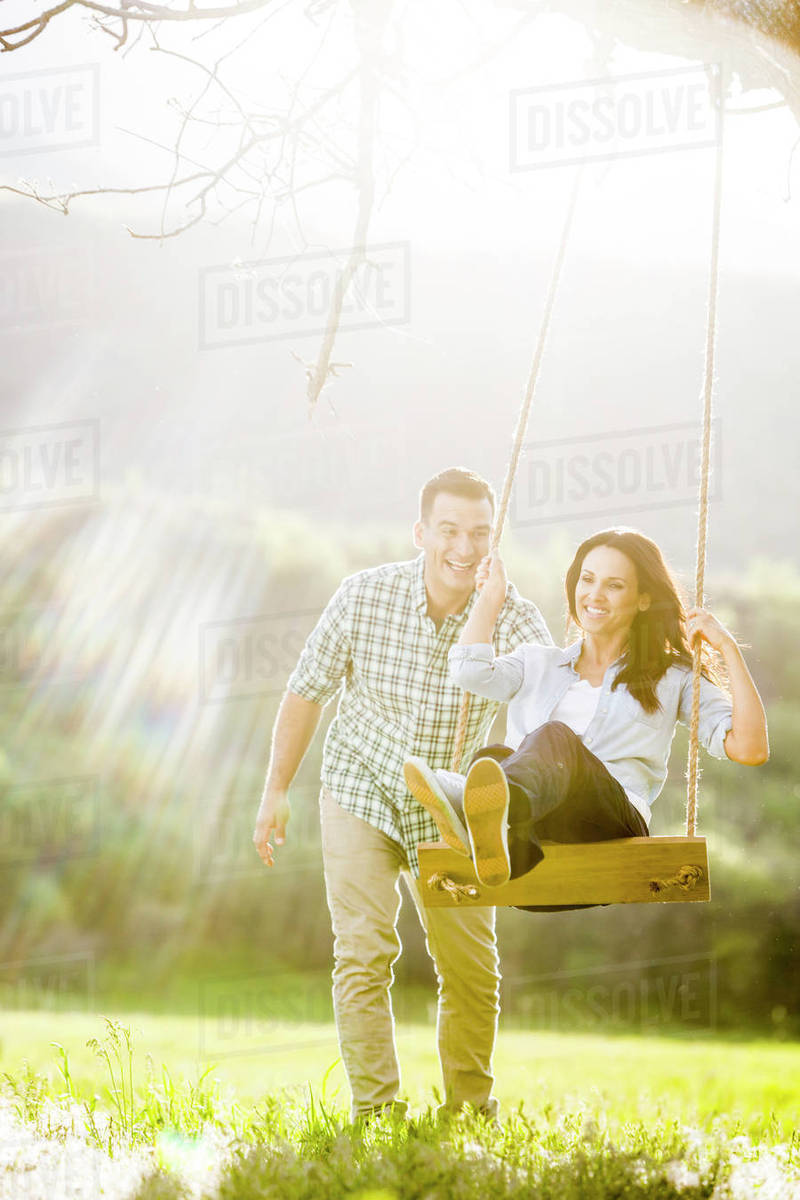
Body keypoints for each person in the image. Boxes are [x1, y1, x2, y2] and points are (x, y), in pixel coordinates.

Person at [252, 467, 552, 1120]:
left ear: (494, 539)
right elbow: (305, 690)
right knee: (362, 953)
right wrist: (275, 789)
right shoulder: (363, 595)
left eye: (479, 533)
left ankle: (470, 1115)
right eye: (449, 531)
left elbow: (560, 717)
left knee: (471, 969)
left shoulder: (518, 620)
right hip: (359, 786)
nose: (464, 549)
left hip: (448, 810)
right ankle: (378, 1116)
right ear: (422, 533)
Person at [404, 528, 769, 899]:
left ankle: (477, 804)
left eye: (614, 585)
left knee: (552, 740)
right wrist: (490, 599)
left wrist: (727, 648)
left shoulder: (672, 677)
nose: (594, 595)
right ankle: (502, 841)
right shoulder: (537, 663)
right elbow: (470, 672)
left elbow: (750, 748)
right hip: (537, 852)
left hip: (610, 827)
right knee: (494, 757)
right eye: (588, 579)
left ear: (643, 599)